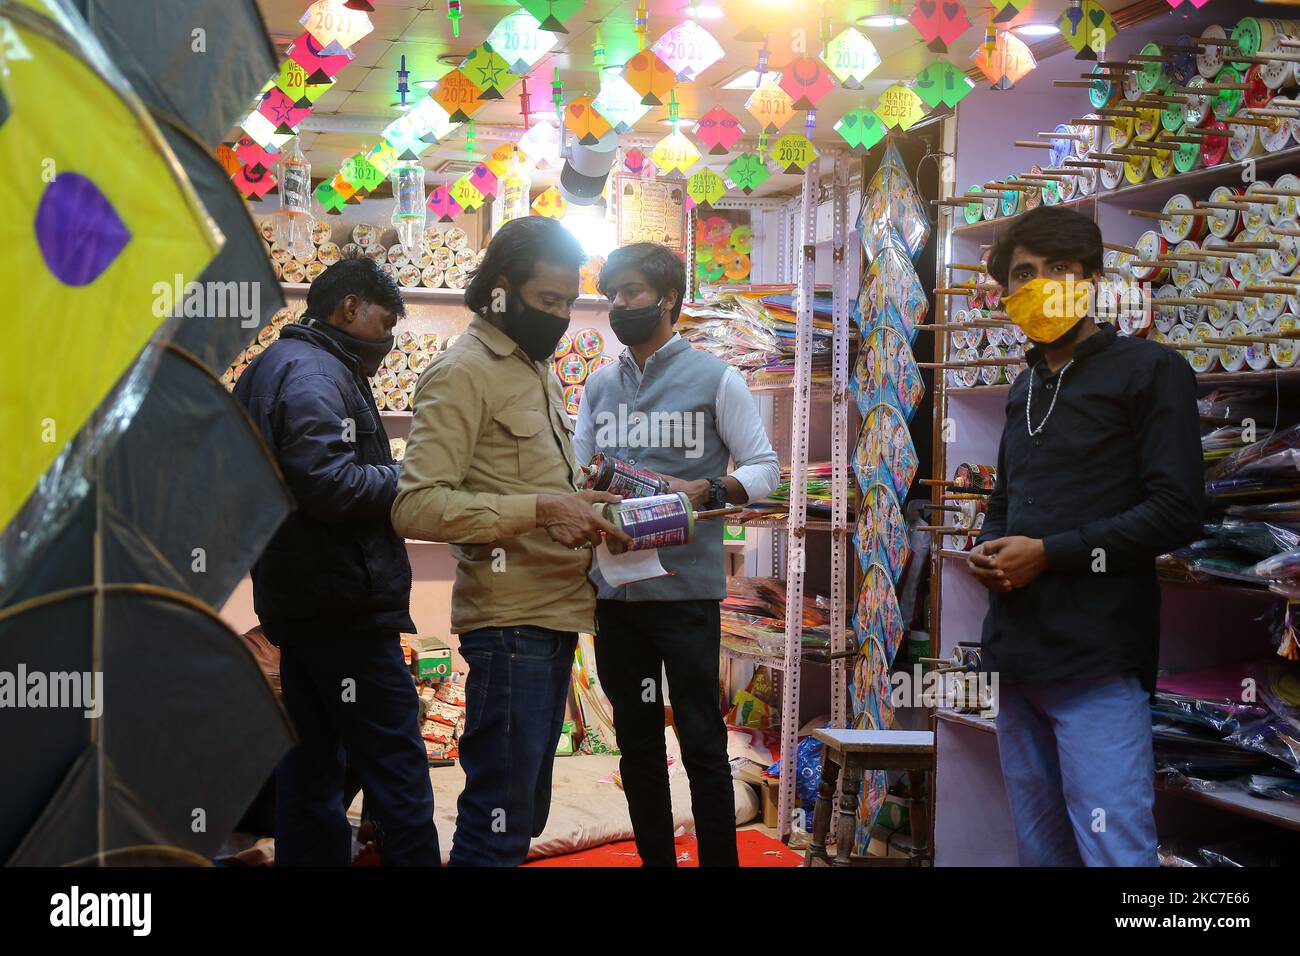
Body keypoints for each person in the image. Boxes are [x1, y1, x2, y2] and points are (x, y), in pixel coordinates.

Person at [968, 206, 1204, 866]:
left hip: (1098, 659)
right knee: (1040, 852)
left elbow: (1178, 509)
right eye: (1025, 274)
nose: (1041, 284)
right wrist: (989, 549)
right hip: (1017, 659)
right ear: (1008, 294)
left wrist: (1050, 554)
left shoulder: (1151, 371)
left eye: (1061, 269)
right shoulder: (1023, 387)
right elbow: (1006, 499)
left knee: (1115, 853)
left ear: (1094, 278)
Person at [391, 216, 631, 866]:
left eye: (566, 302)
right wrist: (538, 508)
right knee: (496, 823)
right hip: (509, 625)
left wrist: (585, 505)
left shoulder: (536, 371)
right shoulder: (463, 372)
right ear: (501, 289)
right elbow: (416, 505)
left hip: (554, 616)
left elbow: (533, 488)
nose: (559, 316)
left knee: (522, 815)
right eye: (547, 301)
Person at [573, 242, 780, 866]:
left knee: (700, 739)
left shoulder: (717, 377)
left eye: (631, 292)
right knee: (636, 744)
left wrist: (708, 489)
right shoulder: (600, 384)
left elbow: (767, 470)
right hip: (616, 593)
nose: (619, 304)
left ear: (668, 299)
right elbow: (576, 472)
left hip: (686, 591)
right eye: (613, 293)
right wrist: (587, 489)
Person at [234, 254, 439, 867]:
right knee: (396, 767)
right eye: (384, 324)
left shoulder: (277, 366)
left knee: (313, 766)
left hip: (298, 602)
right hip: (342, 604)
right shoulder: (314, 374)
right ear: (349, 306)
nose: (387, 341)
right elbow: (330, 484)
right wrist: (411, 479)